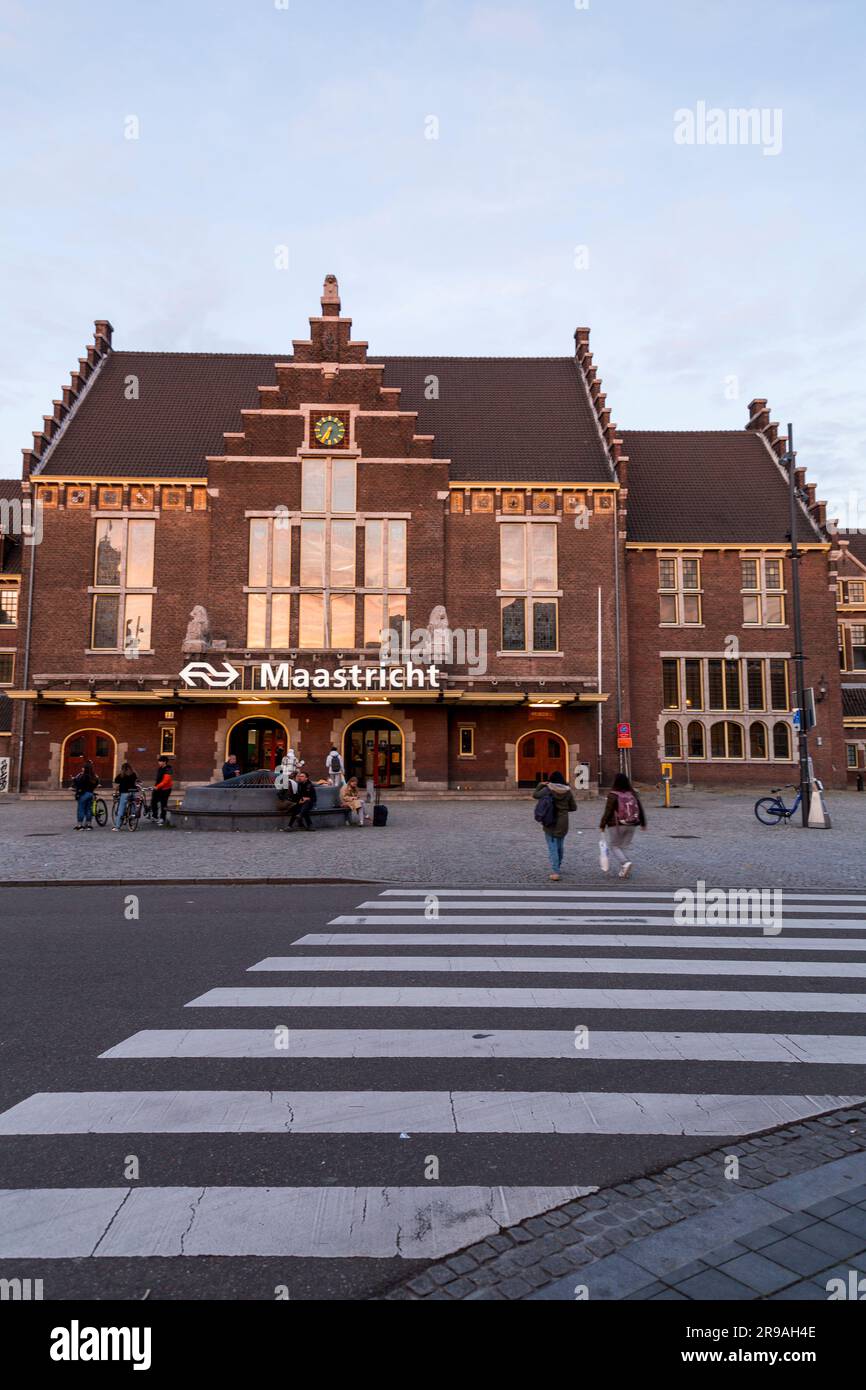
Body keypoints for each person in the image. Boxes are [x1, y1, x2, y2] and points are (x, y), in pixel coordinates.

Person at [599, 771, 647, 879]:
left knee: (615, 846)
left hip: (616, 824)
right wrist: (643, 823)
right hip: (632, 824)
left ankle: (625, 863)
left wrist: (602, 824)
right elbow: (640, 808)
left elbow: (608, 811)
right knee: (623, 846)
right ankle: (625, 869)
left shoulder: (613, 794)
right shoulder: (633, 793)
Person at [532, 770, 577, 881]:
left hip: (550, 820)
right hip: (564, 821)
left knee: (552, 847)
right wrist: (564, 809)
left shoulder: (548, 789)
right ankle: (558, 865)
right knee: (560, 845)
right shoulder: (568, 791)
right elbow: (574, 807)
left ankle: (555, 871)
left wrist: (539, 785)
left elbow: (535, 795)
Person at [73, 759, 99, 830]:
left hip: (84, 794)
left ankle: (80, 825)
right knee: (88, 809)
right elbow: (96, 783)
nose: (82, 769)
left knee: (81, 809)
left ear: (85, 769)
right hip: (91, 793)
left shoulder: (83, 776)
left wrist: (74, 781)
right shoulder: (93, 776)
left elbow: (80, 785)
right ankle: (89, 825)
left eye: (83, 767)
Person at [113, 761, 139, 831]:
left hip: (124, 793)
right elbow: (136, 781)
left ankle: (117, 827)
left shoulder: (121, 775)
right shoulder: (133, 774)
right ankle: (133, 823)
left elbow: (116, 781)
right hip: (133, 792)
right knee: (133, 807)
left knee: (121, 809)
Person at [151, 758, 173, 825]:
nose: (159, 762)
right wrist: (155, 786)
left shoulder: (168, 769)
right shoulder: (160, 768)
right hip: (158, 788)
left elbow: (165, 781)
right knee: (153, 802)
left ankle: (162, 818)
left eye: (160, 761)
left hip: (165, 789)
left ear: (165, 762)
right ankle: (155, 816)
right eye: (159, 761)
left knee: (163, 804)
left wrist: (157, 786)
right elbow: (158, 779)